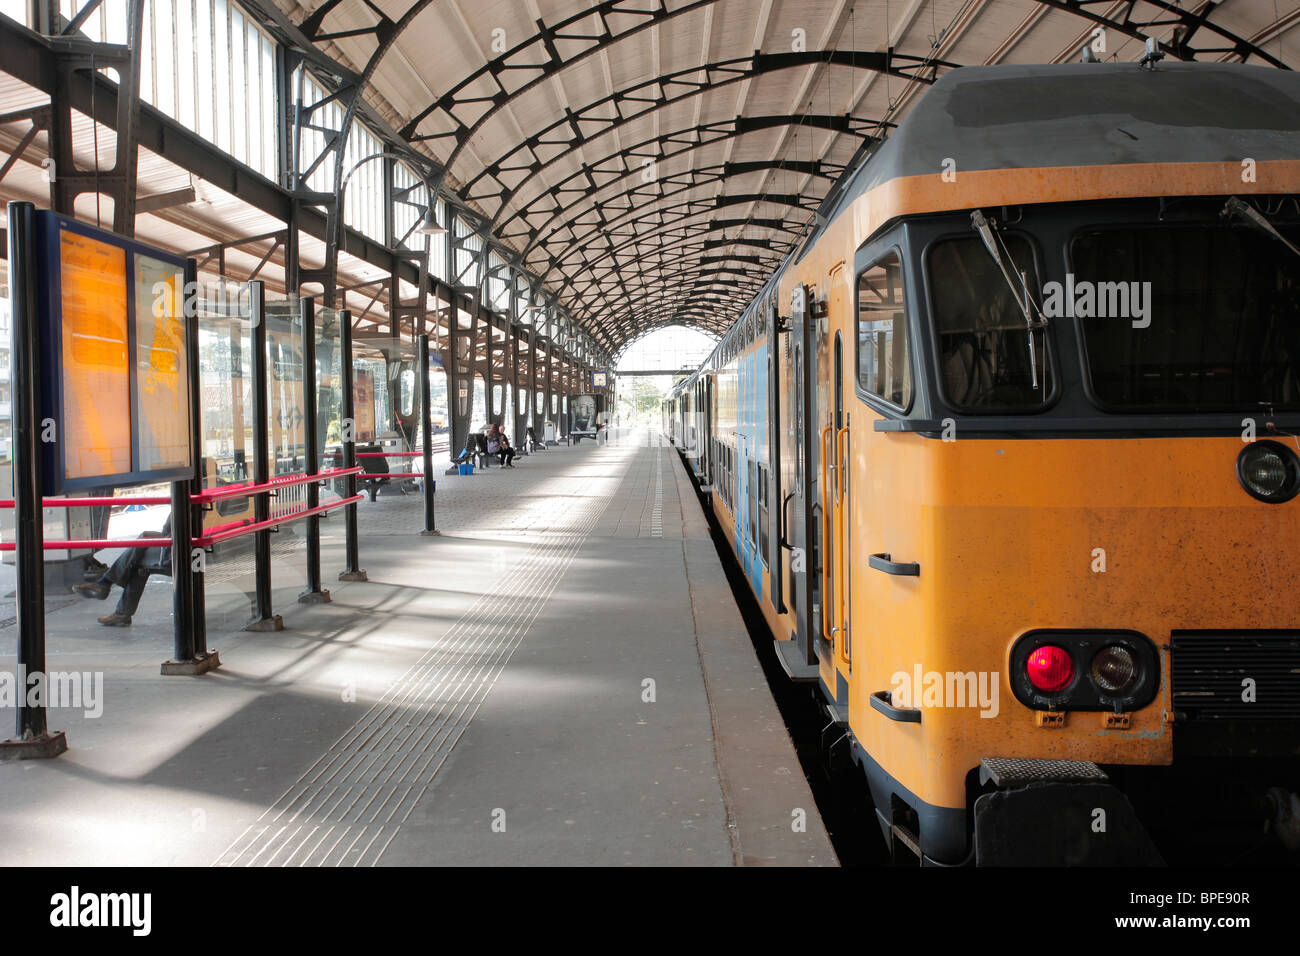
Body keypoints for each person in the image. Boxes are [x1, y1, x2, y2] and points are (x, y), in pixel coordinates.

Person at [73, 514, 172, 627]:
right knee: (143, 542)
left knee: (138, 561)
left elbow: (167, 530)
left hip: (180, 554)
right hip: (192, 547)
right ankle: (108, 589)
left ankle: (107, 587)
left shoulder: (184, 498)